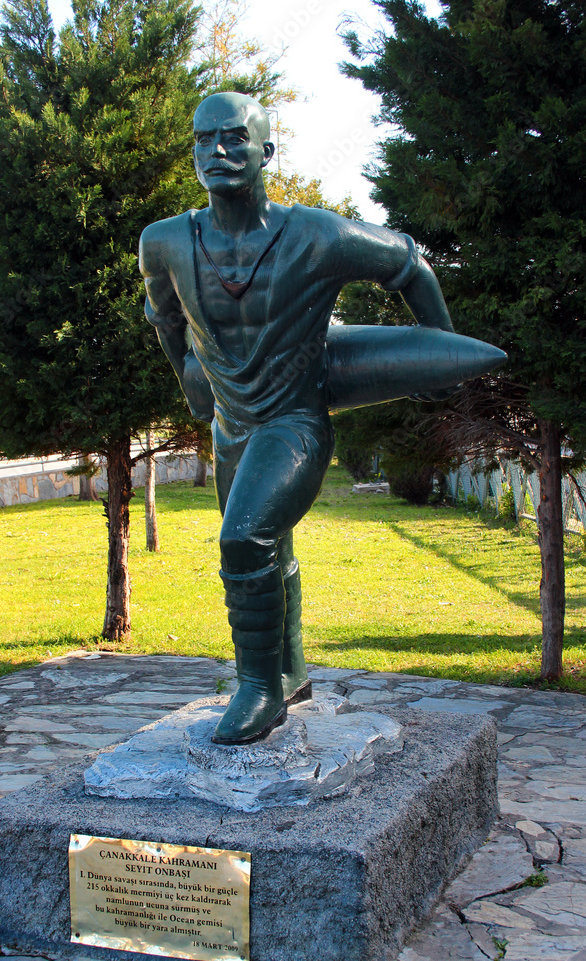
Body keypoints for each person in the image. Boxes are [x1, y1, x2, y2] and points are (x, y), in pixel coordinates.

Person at [140, 92, 455, 745]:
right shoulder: (165, 242)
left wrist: (438, 355)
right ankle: (288, 671)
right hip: (231, 423)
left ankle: (258, 690)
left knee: (242, 538)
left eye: (234, 138)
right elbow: (167, 323)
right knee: (268, 543)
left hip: (295, 420)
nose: (218, 152)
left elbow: (409, 264)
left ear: (265, 151)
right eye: (204, 140)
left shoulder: (319, 235)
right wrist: (192, 388)